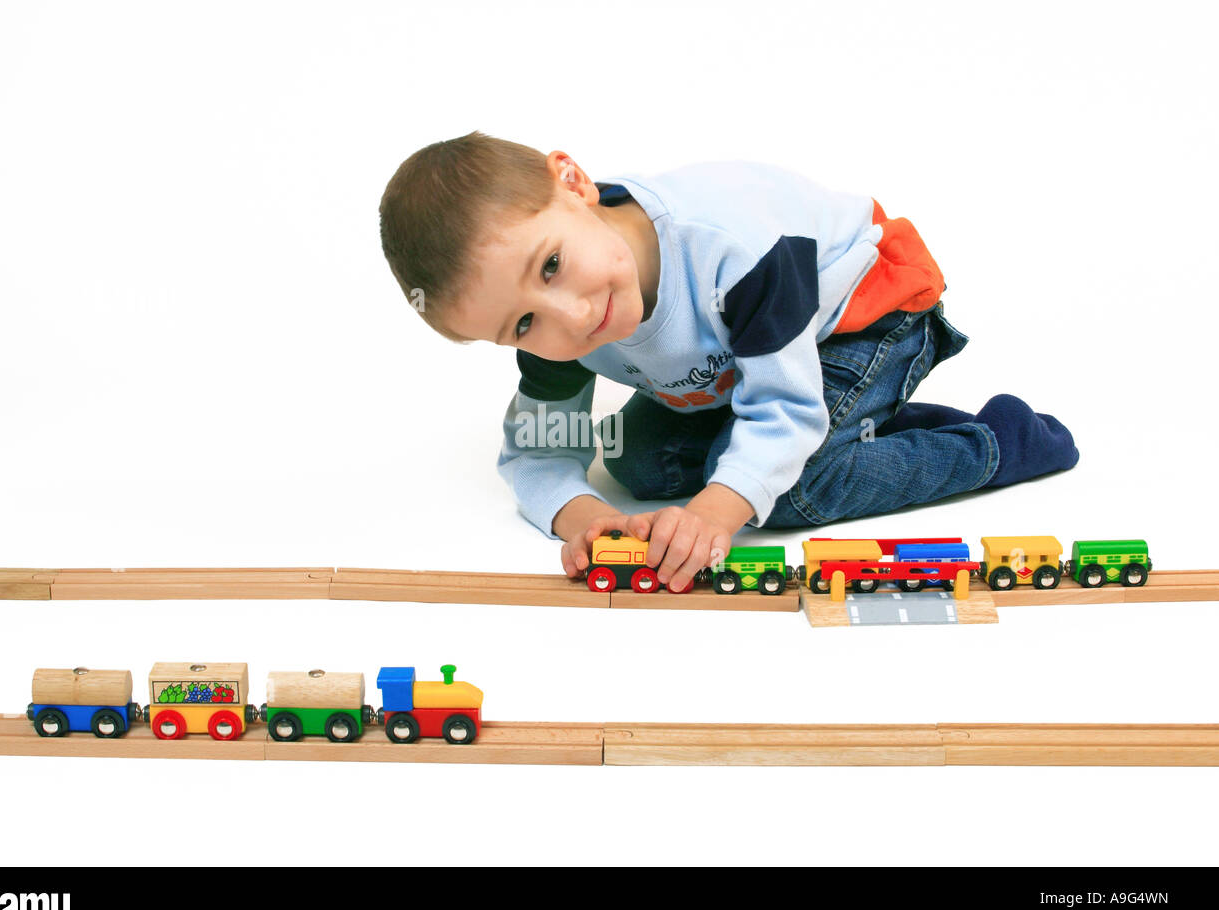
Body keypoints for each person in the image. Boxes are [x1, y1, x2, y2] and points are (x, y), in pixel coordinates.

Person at [378, 131, 1078, 593]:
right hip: (744, 366)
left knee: (788, 495)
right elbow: (537, 453)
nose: (573, 317)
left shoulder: (733, 248)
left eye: (553, 265)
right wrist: (586, 518)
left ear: (572, 181)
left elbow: (786, 405)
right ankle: (855, 430)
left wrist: (719, 508)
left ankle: (995, 444)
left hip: (865, 317)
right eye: (522, 323)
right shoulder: (562, 332)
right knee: (638, 468)